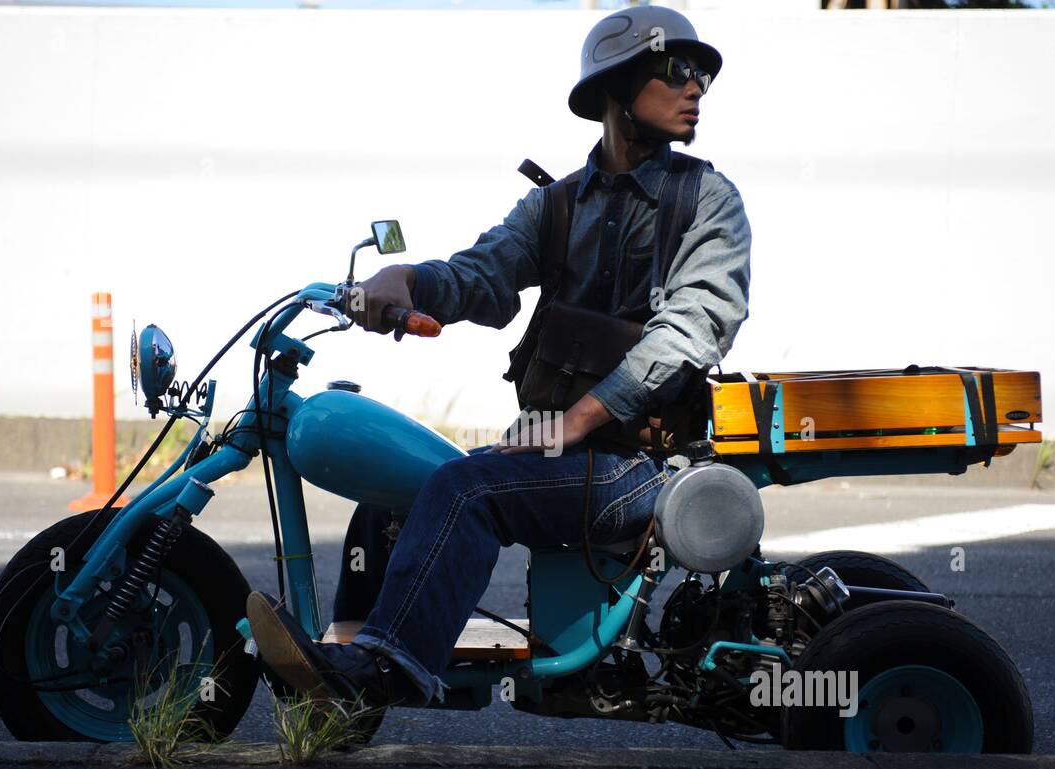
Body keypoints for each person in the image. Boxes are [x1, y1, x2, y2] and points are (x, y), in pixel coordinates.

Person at [246, 6, 752, 712]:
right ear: (615, 90)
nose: (696, 86)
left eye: (702, 75)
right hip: (561, 449)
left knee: (466, 490)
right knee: (390, 499)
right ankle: (346, 683)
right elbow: (481, 276)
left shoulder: (707, 202)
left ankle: (382, 670)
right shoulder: (555, 207)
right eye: (678, 70)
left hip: (642, 466)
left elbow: (695, 326)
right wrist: (408, 280)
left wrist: (579, 417)